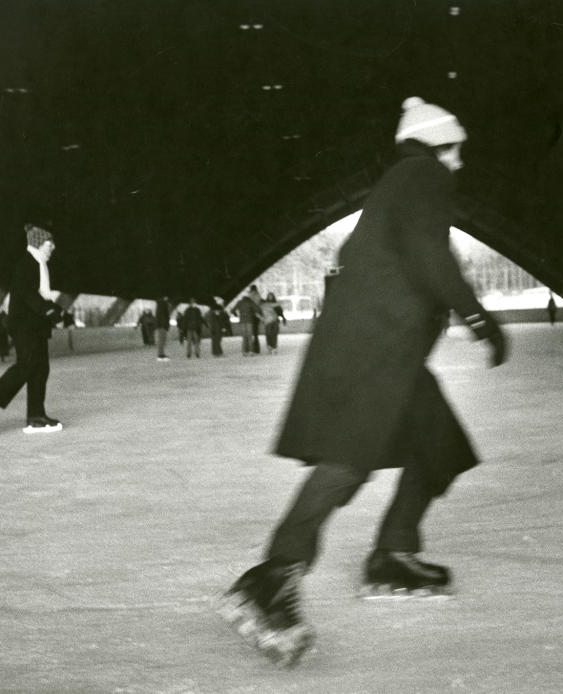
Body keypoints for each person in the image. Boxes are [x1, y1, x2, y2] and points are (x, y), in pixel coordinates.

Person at [219, 97, 507, 667]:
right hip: (375, 351)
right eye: (456, 149)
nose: (459, 162)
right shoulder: (423, 174)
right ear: (438, 144)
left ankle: (393, 554)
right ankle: (272, 577)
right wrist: (480, 319)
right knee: (349, 458)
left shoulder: (399, 184)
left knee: (438, 444)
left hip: (384, 350)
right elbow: (429, 255)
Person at [0, 224, 65, 434]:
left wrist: (56, 311)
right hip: (25, 325)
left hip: (35, 325)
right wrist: (48, 310)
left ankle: (36, 416)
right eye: (49, 243)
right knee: (28, 364)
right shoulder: (28, 263)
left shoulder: (38, 263)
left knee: (40, 368)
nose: (53, 247)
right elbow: (26, 292)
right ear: (38, 243)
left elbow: (39, 295)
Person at [231, 290, 263, 356]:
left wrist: (236, 315)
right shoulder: (250, 302)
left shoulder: (240, 302)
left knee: (244, 337)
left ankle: (244, 351)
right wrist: (253, 313)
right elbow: (257, 309)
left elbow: (232, 310)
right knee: (250, 336)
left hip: (242, 320)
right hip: (249, 320)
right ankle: (251, 351)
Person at [155, 296, 171, 362]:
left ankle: (162, 354)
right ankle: (160, 356)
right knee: (161, 341)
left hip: (162, 325)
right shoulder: (162, 305)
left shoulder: (162, 305)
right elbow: (164, 317)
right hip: (162, 326)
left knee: (162, 341)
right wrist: (165, 325)